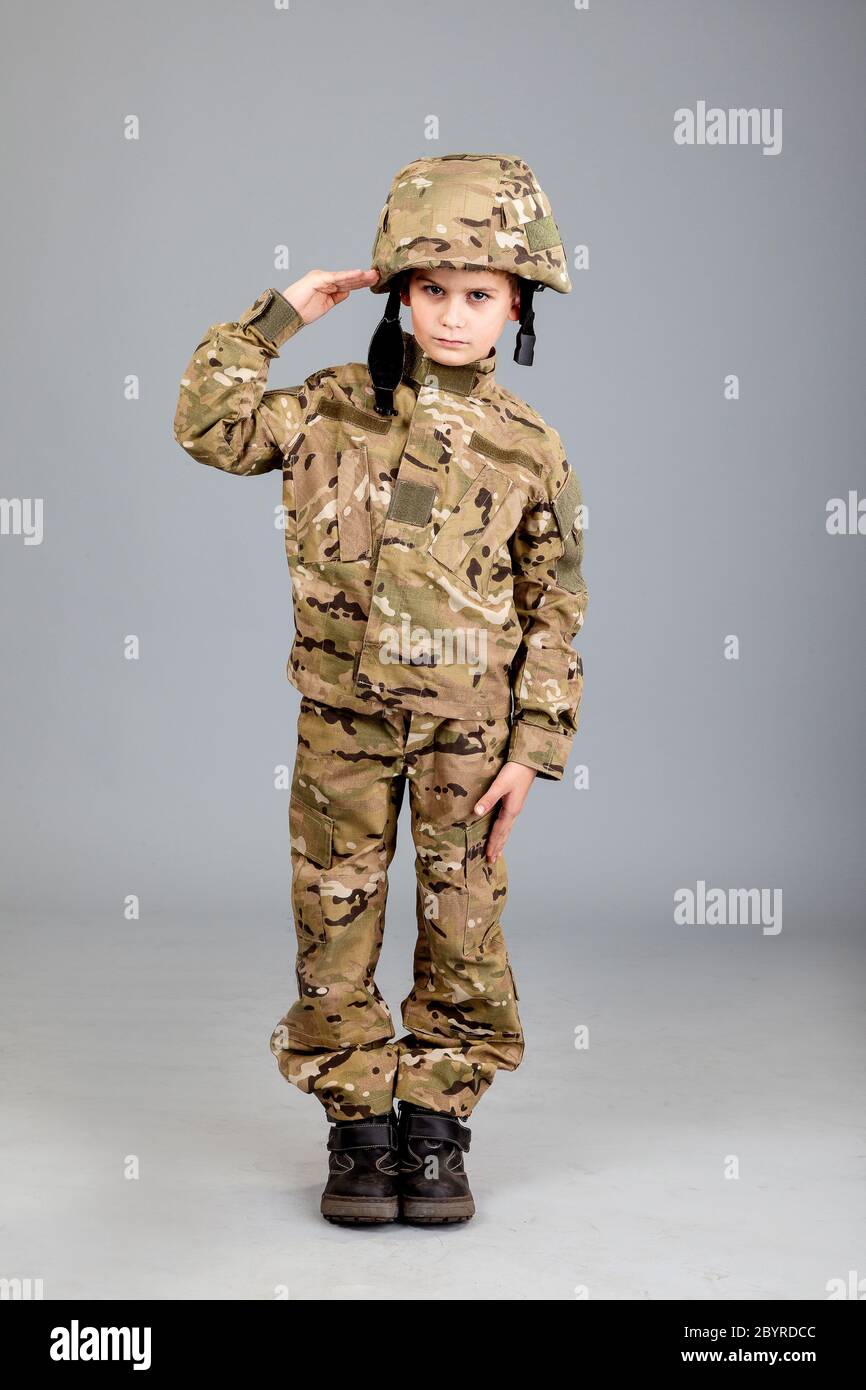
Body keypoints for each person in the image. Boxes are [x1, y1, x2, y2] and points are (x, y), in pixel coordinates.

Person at [172, 153, 588, 1226]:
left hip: (468, 738)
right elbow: (210, 429)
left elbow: (555, 606)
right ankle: (357, 1133)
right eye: (432, 290)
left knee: (463, 928)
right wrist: (277, 318)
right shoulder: (328, 407)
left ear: (514, 308)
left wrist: (532, 749)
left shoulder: (529, 447)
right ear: (400, 294)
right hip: (341, 729)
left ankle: (437, 1133)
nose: (453, 315)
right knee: (333, 924)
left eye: (479, 296)